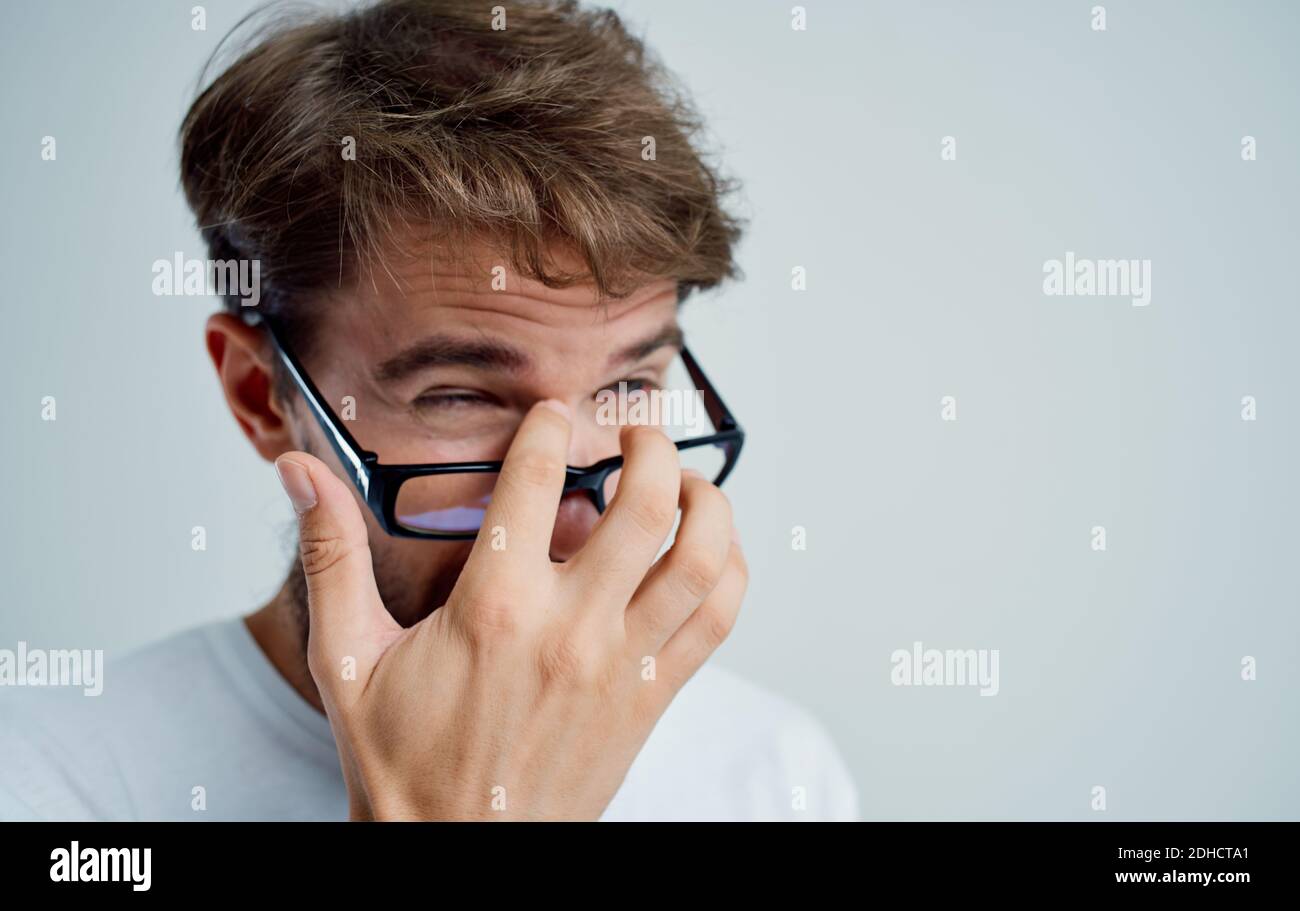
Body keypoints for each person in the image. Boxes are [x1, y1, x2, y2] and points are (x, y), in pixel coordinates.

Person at [0, 0, 857, 821]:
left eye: (627, 386)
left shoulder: (777, 772)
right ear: (263, 396)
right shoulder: (49, 784)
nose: (571, 520)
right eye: (459, 395)